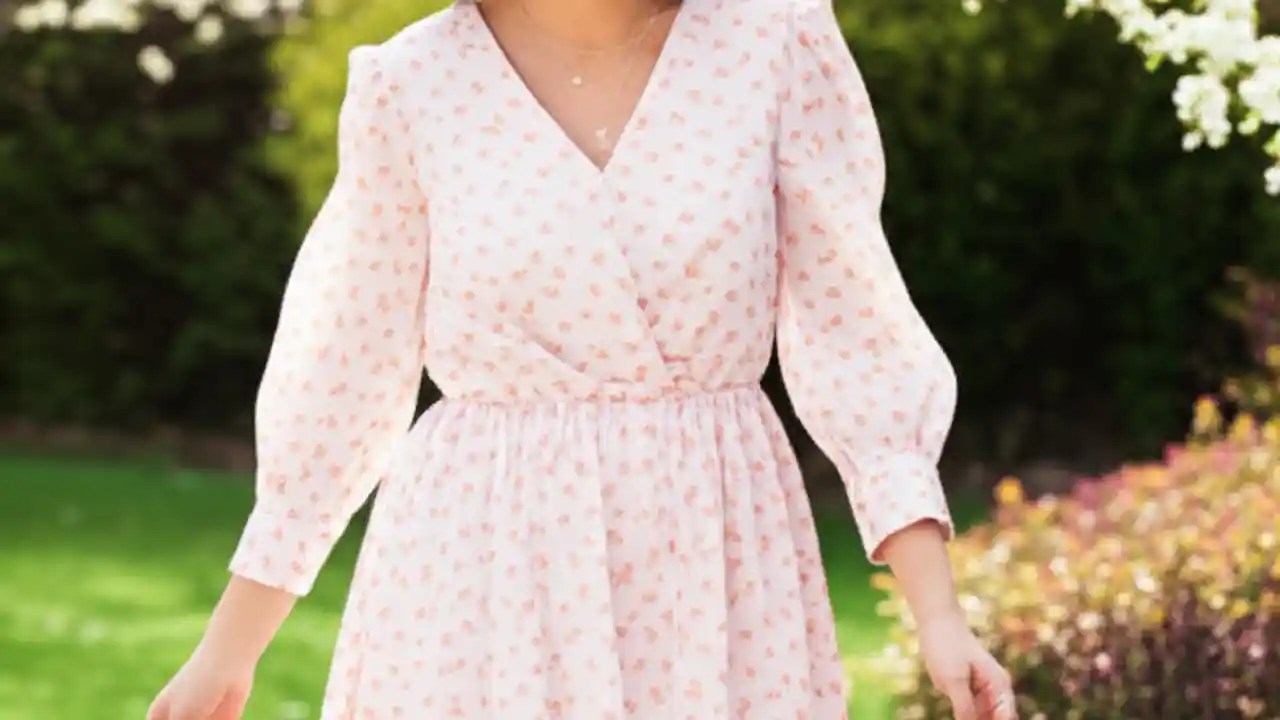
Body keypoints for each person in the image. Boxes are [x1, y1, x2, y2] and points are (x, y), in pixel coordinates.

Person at [148, 0, 1016, 718]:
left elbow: (855, 334)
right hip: (481, 562)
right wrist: (228, 653)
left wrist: (938, 616)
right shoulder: (408, 85)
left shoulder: (776, 42)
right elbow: (343, 371)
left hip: (714, 553)